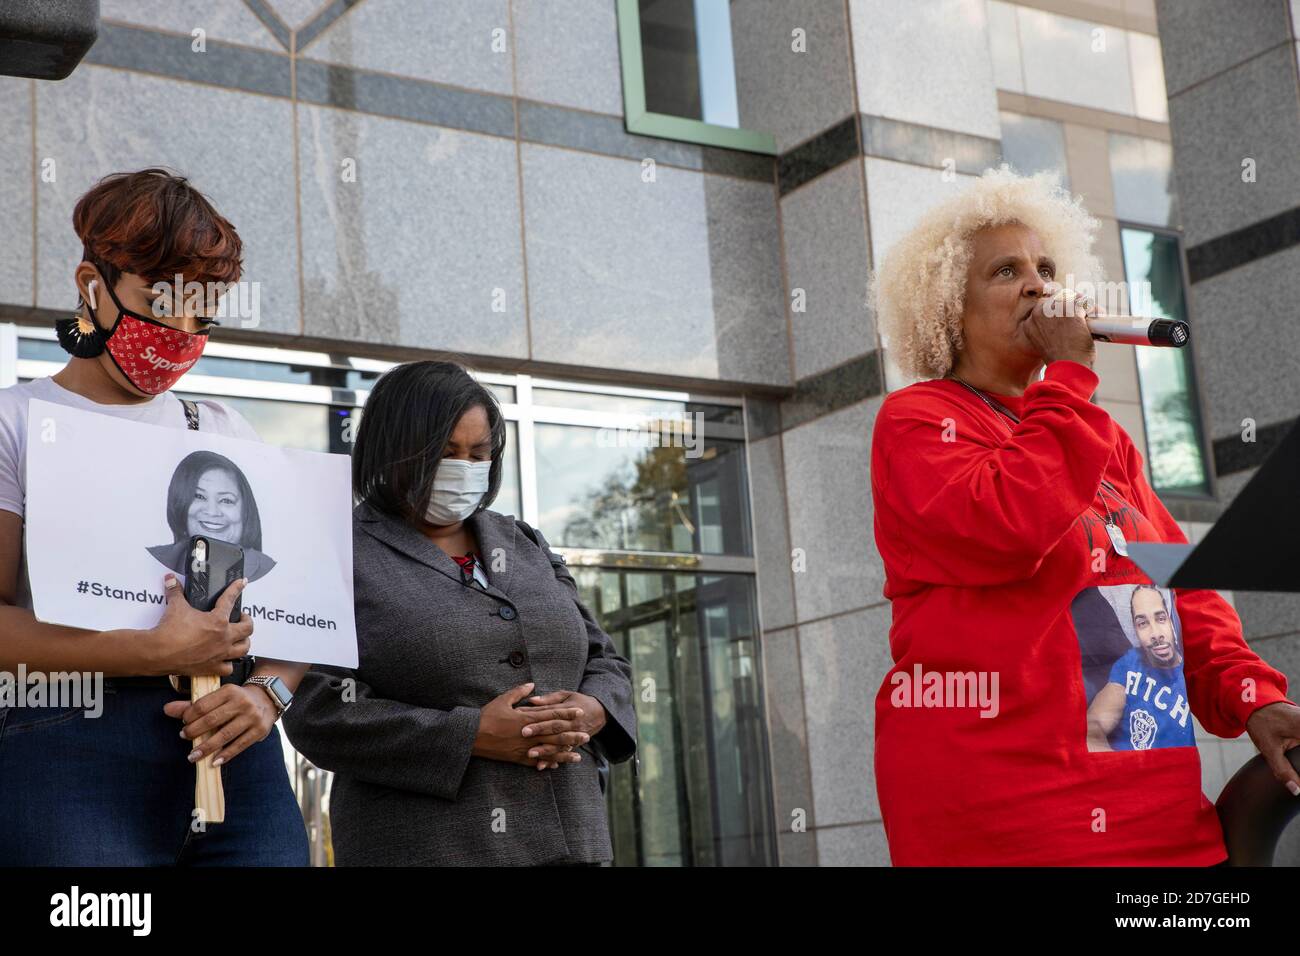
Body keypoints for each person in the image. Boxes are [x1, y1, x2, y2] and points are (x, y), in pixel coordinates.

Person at [869, 166, 1300, 866]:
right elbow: (1009, 529)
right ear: (949, 307)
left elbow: (1180, 592)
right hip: (1009, 815)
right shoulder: (918, 421)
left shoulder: (1103, 440)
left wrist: (1253, 697)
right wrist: (1070, 378)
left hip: (1155, 812)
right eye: (1006, 271)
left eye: (1046, 266)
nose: (1038, 285)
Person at [0, 168, 308, 865]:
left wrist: (267, 698)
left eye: (201, 315)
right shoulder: (14, 423)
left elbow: (305, 610)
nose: (178, 332)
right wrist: (148, 651)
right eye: (162, 301)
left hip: (235, 748)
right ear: (91, 284)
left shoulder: (224, 429)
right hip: (67, 741)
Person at [282, 360, 638, 866]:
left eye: (479, 454)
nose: (464, 467)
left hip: (570, 840)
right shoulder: (335, 552)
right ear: (393, 448)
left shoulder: (524, 542)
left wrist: (594, 709)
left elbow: (605, 660)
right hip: (430, 847)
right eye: (446, 453)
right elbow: (318, 710)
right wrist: (469, 735)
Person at [1086, 585, 1195, 752]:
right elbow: (1094, 727)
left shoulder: (1189, 666)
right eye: (1142, 623)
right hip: (1128, 771)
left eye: (1160, 619)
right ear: (1135, 631)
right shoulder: (1131, 663)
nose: (1155, 633)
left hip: (1177, 772)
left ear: (1170, 620)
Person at [147, 450, 277, 583]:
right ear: (181, 503)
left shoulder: (272, 573)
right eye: (199, 496)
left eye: (226, 500)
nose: (212, 512)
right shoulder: (148, 561)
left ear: (246, 510)